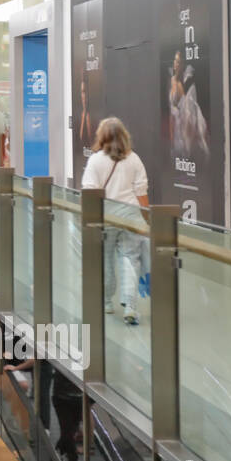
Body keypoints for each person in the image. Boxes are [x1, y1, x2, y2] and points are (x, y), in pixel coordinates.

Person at [80, 117, 150, 326]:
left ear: (101, 136)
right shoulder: (134, 159)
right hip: (130, 217)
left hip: (105, 216)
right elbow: (141, 192)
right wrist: (146, 220)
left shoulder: (96, 160)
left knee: (105, 258)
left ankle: (106, 301)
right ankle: (130, 306)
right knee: (130, 258)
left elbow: (90, 192)